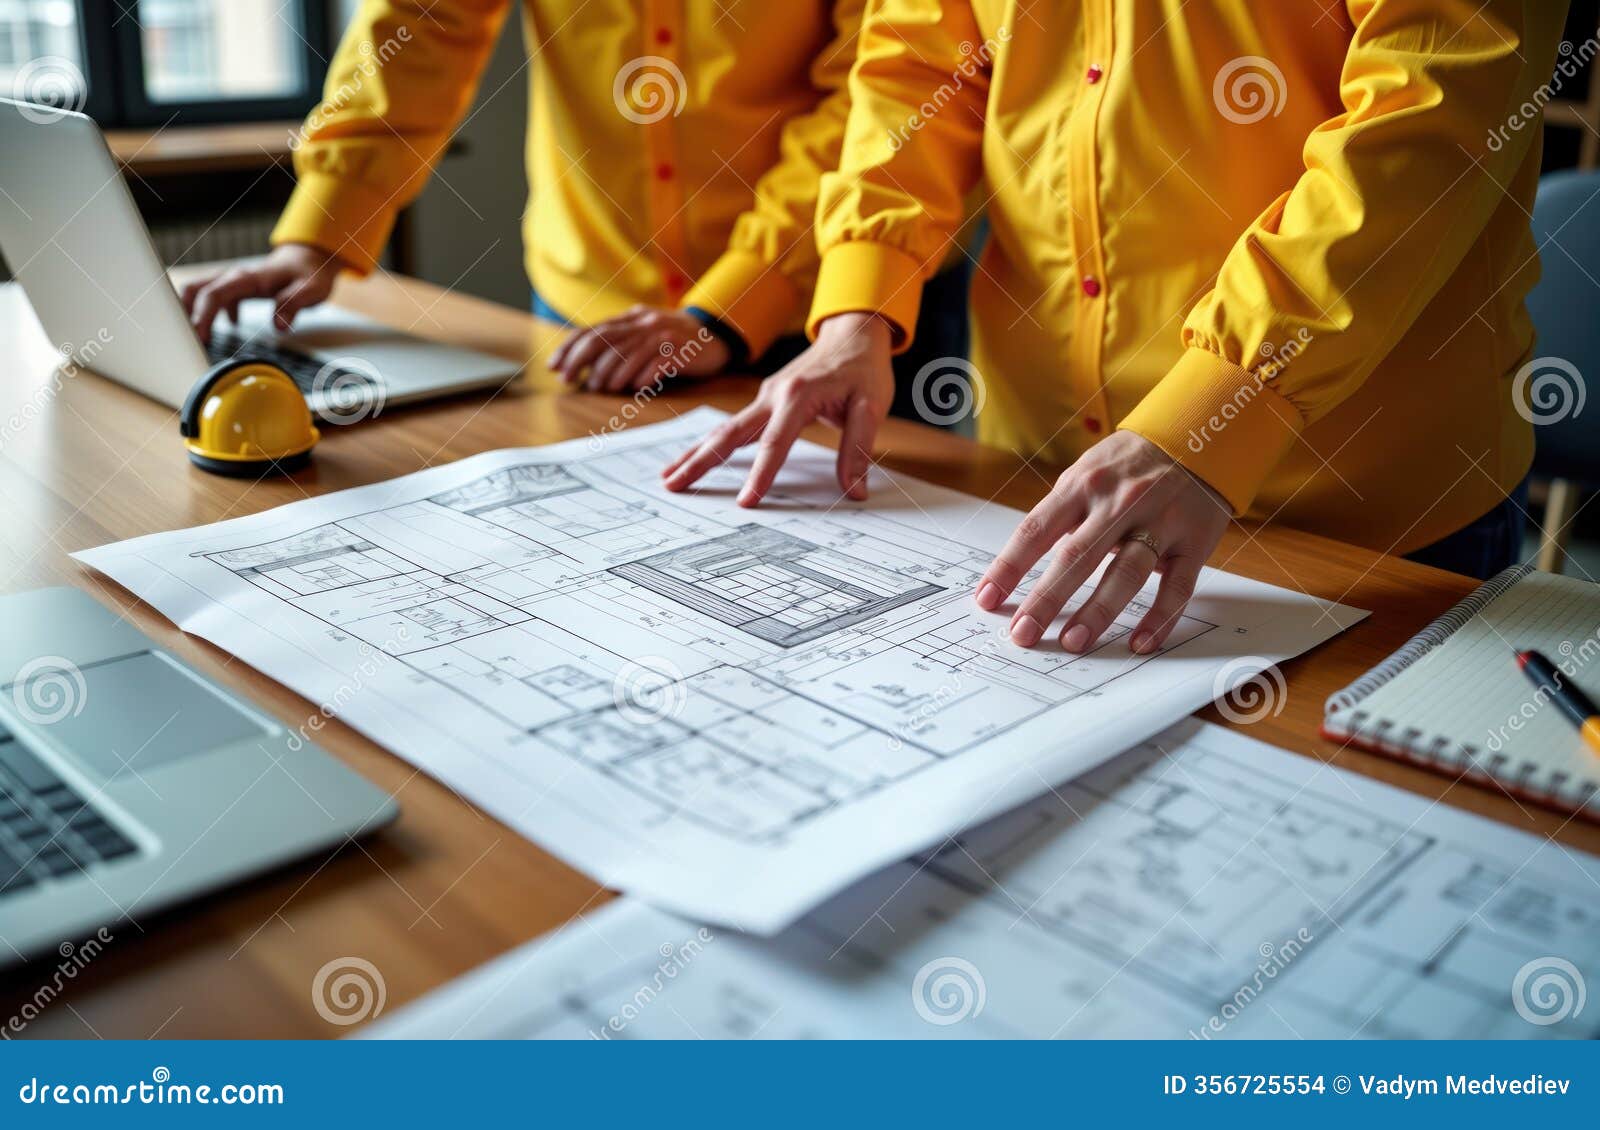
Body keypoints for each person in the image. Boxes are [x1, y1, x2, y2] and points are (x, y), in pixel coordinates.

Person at [664, 0, 1564, 650]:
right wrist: (860, 301)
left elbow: (1423, 132)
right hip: (1049, 476)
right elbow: (920, 66)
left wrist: (1209, 420)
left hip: (1363, 519)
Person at [180, 1, 968, 404]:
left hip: (833, 308)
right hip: (586, 311)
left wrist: (730, 306)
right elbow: (420, 23)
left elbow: (884, 89)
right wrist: (318, 232)